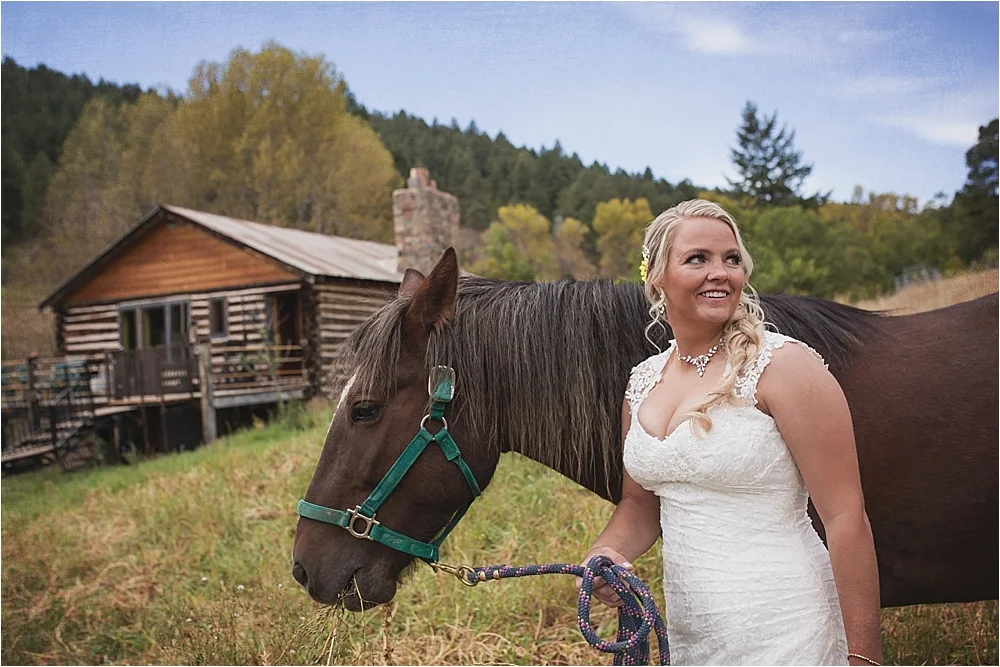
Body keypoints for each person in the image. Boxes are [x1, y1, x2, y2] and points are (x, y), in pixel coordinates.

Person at [579, 199, 883, 666]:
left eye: (732, 259)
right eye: (697, 258)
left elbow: (846, 517)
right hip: (692, 633)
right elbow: (640, 505)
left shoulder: (784, 368)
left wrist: (865, 658)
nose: (720, 272)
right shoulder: (642, 382)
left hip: (789, 622)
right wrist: (607, 552)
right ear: (658, 276)